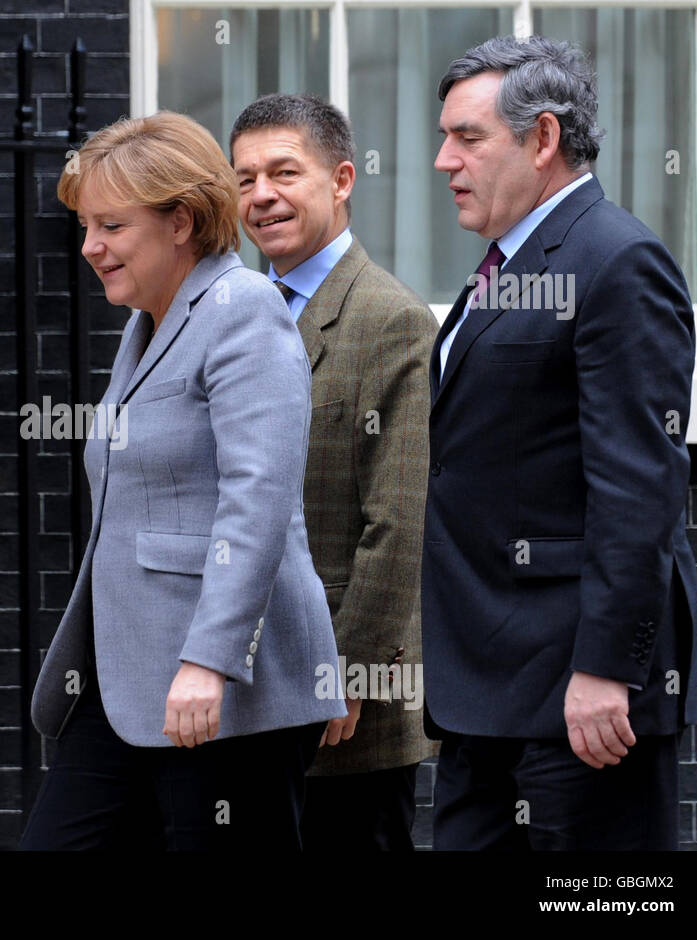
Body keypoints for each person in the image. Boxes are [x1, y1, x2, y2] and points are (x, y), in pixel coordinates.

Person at [22, 112, 345, 851]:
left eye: (110, 226)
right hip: (127, 682)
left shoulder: (243, 309)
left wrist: (208, 660)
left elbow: (258, 499)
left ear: (182, 222)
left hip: (224, 691)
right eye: (86, 226)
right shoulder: (147, 328)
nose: (90, 247)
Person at [424, 35, 697, 850]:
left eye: (467, 137)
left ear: (542, 139)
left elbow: (640, 486)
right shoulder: (507, 261)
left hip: (579, 695)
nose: (444, 160)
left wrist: (606, 669)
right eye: (444, 136)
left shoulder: (617, 261)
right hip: (486, 685)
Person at [230, 93, 439, 851]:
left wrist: (340, 671)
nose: (261, 196)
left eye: (285, 172)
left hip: (346, 704)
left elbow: (400, 520)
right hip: (244, 684)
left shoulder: (390, 317)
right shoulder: (239, 311)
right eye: (245, 178)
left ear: (342, 179)